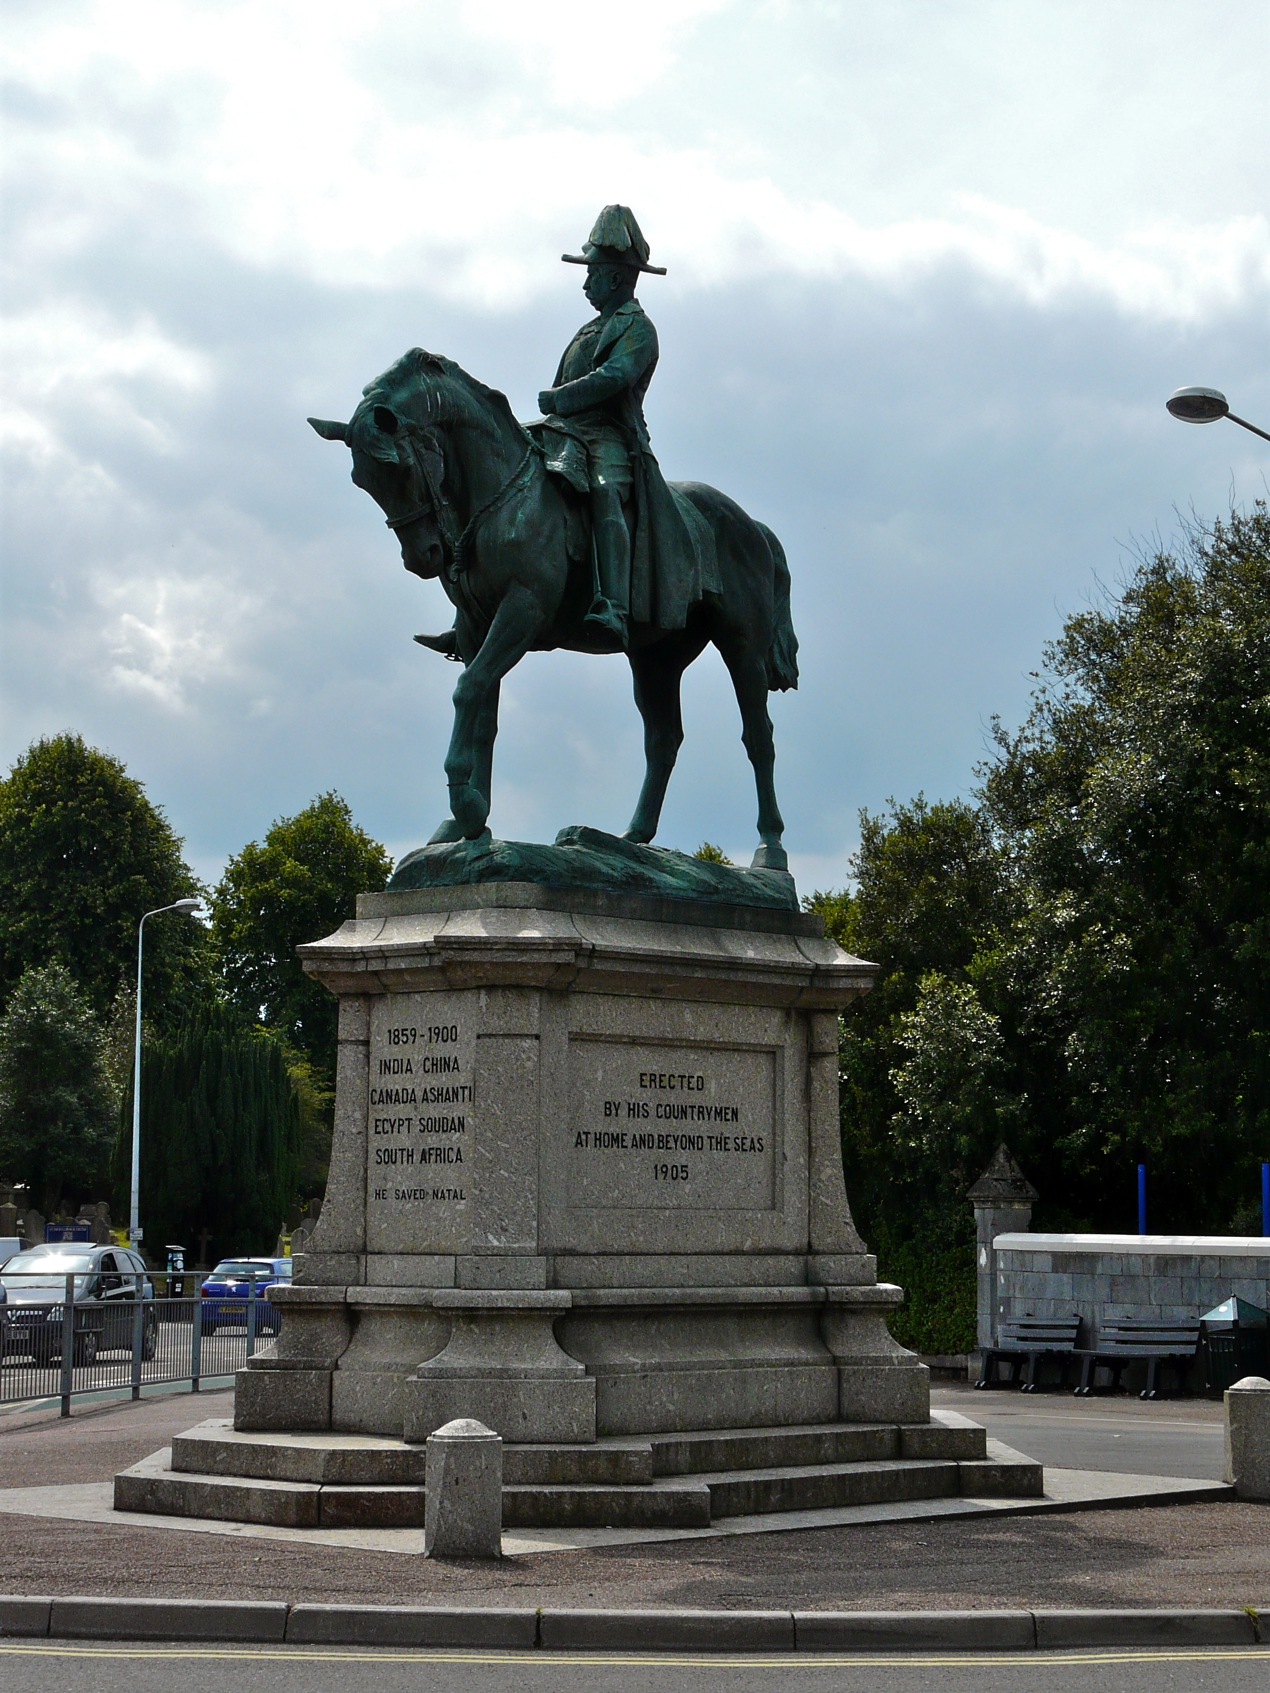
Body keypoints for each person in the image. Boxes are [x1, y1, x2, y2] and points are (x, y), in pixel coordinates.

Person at [537, 205, 676, 649]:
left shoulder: (639, 329)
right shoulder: (586, 330)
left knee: (603, 491)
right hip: (564, 433)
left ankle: (613, 604)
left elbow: (615, 378)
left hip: (611, 438)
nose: (585, 284)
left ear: (615, 277)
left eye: (592, 273)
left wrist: (562, 398)